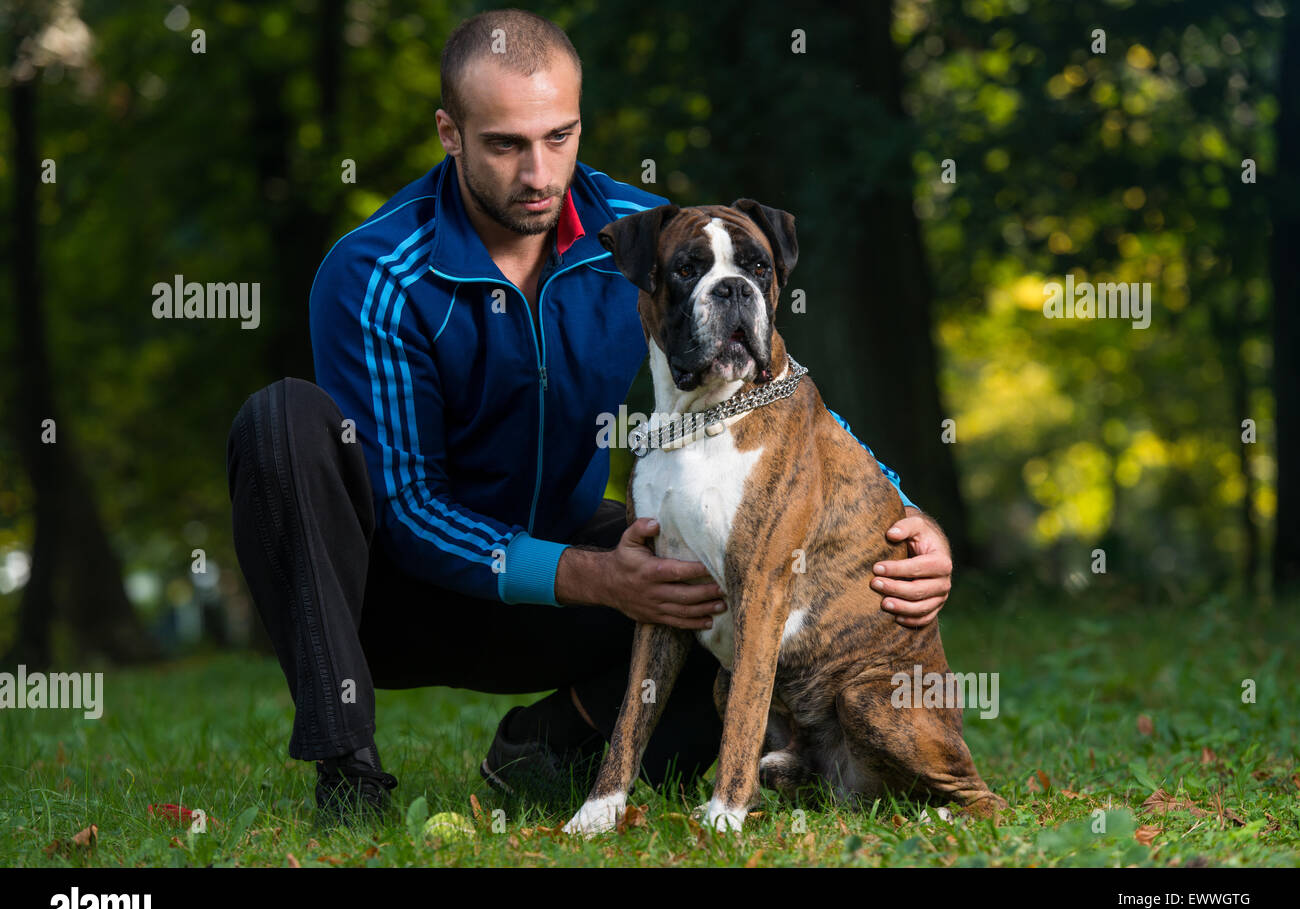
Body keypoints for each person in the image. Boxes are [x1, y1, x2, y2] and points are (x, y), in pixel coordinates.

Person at [225, 8, 955, 825]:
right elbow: (406, 509)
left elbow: (780, 387)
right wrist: (585, 572)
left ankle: (549, 743)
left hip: (578, 583)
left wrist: (905, 506)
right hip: (397, 599)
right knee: (279, 421)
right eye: (505, 144)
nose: (540, 172)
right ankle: (347, 770)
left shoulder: (645, 239)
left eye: (559, 136)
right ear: (449, 133)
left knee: (725, 636)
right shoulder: (373, 273)